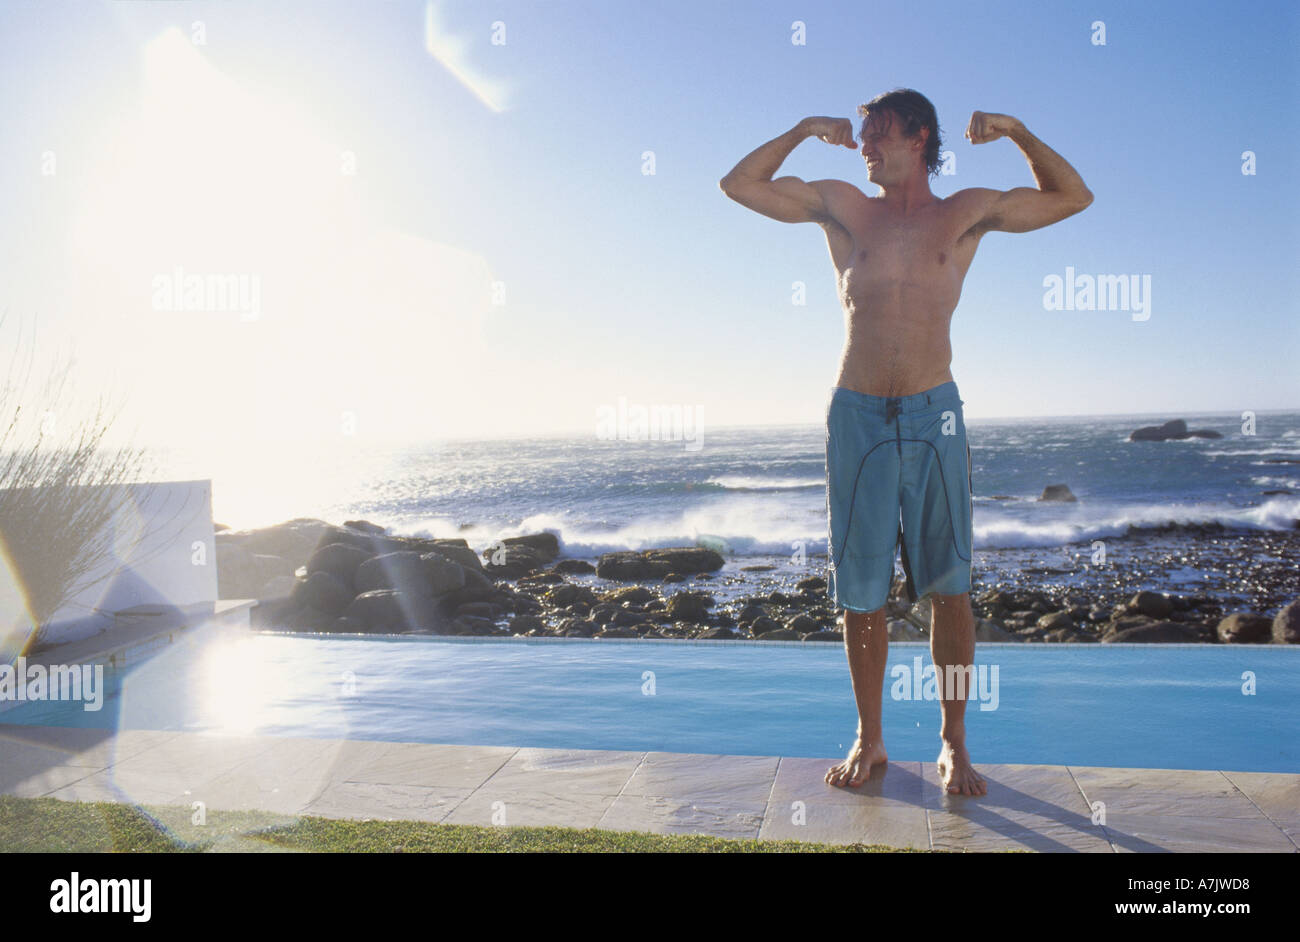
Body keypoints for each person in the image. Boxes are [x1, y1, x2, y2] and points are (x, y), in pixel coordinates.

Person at [718, 89, 1093, 796]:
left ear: (918, 136)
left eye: (876, 135)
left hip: (935, 417)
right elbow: (739, 185)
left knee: (949, 591)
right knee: (861, 595)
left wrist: (1016, 129)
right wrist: (801, 127)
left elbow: (1073, 197)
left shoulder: (966, 212)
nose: (863, 147)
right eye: (859, 136)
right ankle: (871, 737)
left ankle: (954, 743)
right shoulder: (842, 205)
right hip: (857, 416)